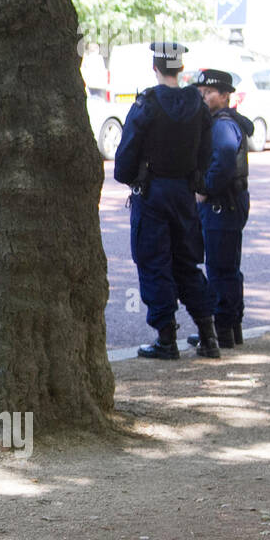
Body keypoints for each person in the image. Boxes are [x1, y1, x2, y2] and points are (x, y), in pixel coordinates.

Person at [114, 42, 220, 359]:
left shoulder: (146, 103)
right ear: (180, 69)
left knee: (154, 263)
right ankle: (208, 335)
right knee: (187, 263)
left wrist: (131, 177)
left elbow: (125, 158)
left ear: (155, 68)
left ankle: (166, 339)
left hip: (152, 193)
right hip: (184, 194)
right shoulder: (198, 105)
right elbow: (206, 152)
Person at [189, 68, 253, 350]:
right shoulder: (221, 121)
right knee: (227, 265)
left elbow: (225, 160)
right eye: (201, 93)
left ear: (225, 96)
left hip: (222, 203)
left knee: (220, 267)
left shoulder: (223, 124)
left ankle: (222, 329)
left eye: (209, 93)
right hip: (227, 202)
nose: (203, 97)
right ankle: (231, 326)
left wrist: (205, 189)